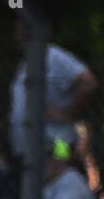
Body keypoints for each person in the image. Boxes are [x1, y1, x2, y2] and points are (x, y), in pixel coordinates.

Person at [8, 24, 96, 168]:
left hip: (57, 140)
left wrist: (67, 112)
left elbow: (88, 82)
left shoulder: (52, 55)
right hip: (29, 145)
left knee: (61, 170)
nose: (17, 32)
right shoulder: (28, 60)